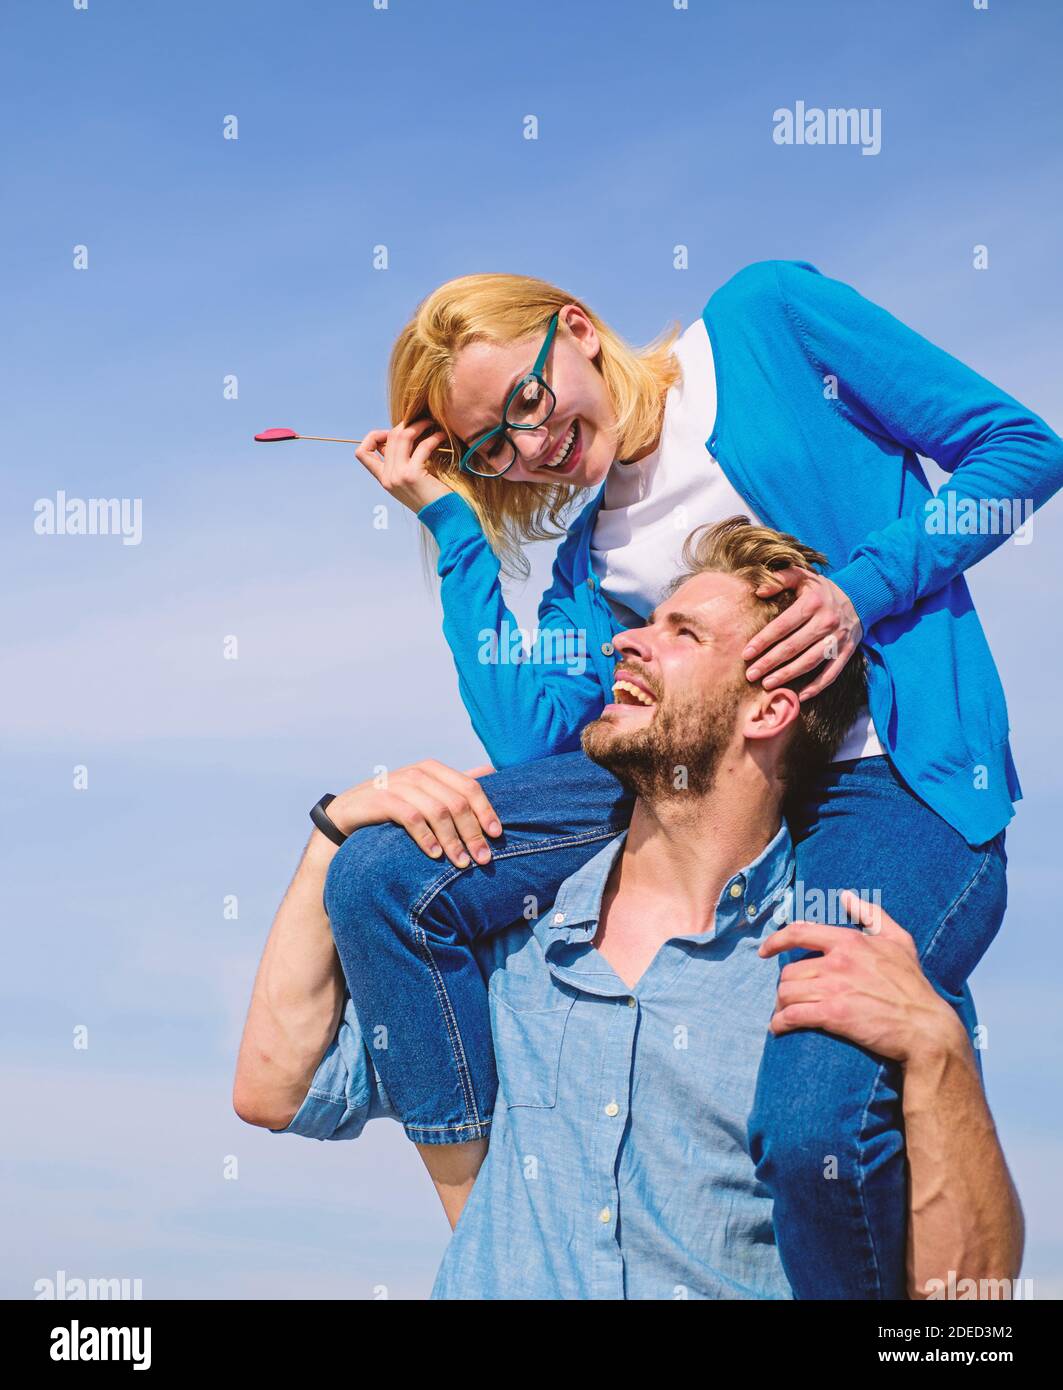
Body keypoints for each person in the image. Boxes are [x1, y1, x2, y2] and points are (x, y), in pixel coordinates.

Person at [267, 260, 1063, 1297]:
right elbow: (533, 740)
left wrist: (860, 592)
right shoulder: (590, 547)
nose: (530, 449)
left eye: (526, 402)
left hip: (883, 780)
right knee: (385, 871)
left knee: (813, 1115)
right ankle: (495, 1234)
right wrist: (451, 520)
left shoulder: (764, 323)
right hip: (703, 773)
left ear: (578, 328)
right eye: (492, 446)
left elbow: (1018, 450)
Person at [234, 519, 1024, 1300]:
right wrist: (330, 843)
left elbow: (964, 1302)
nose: (625, 643)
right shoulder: (506, 932)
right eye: (643, 625)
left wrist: (942, 1055)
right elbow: (274, 1089)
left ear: (768, 710)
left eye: (682, 634)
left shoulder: (848, 965)